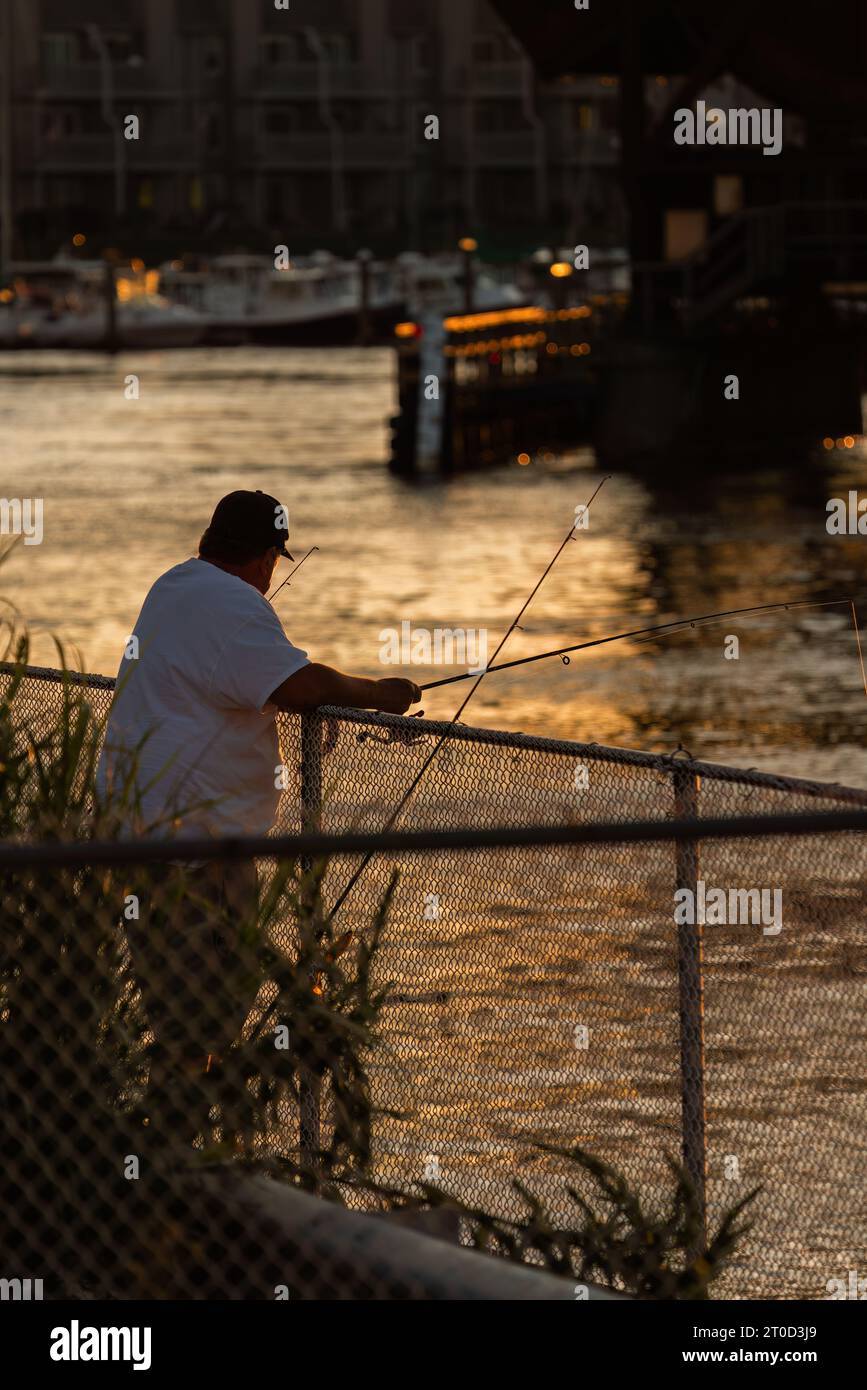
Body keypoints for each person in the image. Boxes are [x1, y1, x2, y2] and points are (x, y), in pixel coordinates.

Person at [96, 489, 420, 1135]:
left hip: (131, 836)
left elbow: (224, 681)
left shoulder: (173, 585)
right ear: (266, 556)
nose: (274, 572)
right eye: (275, 557)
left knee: (169, 1011)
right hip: (196, 851)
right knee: (207, 1016)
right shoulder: (235, 605)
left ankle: (170, 1149)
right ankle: (181, 1155)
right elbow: (301, 685)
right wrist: (378, 693)